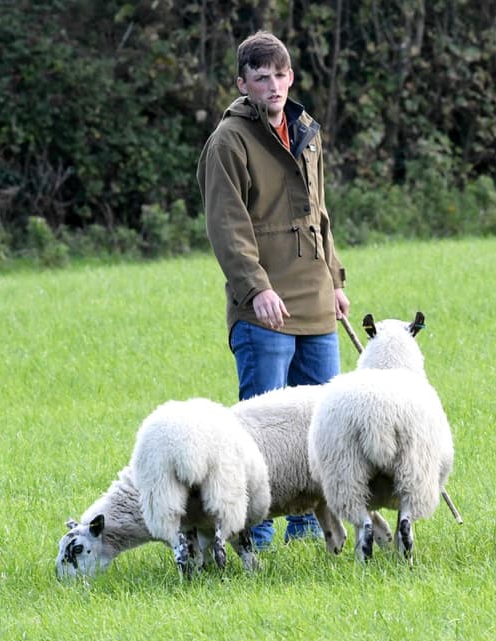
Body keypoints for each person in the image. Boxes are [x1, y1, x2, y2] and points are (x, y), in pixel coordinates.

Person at [197, 30, 349, 549]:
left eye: (280, 75)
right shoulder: (228, 142)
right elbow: (226, 225)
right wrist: (255, 287)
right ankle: (253, 533)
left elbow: (320, 212)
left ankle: (308, 527)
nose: (274, 86)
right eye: (261, 78)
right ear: (243, 84)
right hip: (263, 306)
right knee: (259, 425)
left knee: (324, 425)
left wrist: (336, 278)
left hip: (315, 297)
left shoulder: (307, 130)